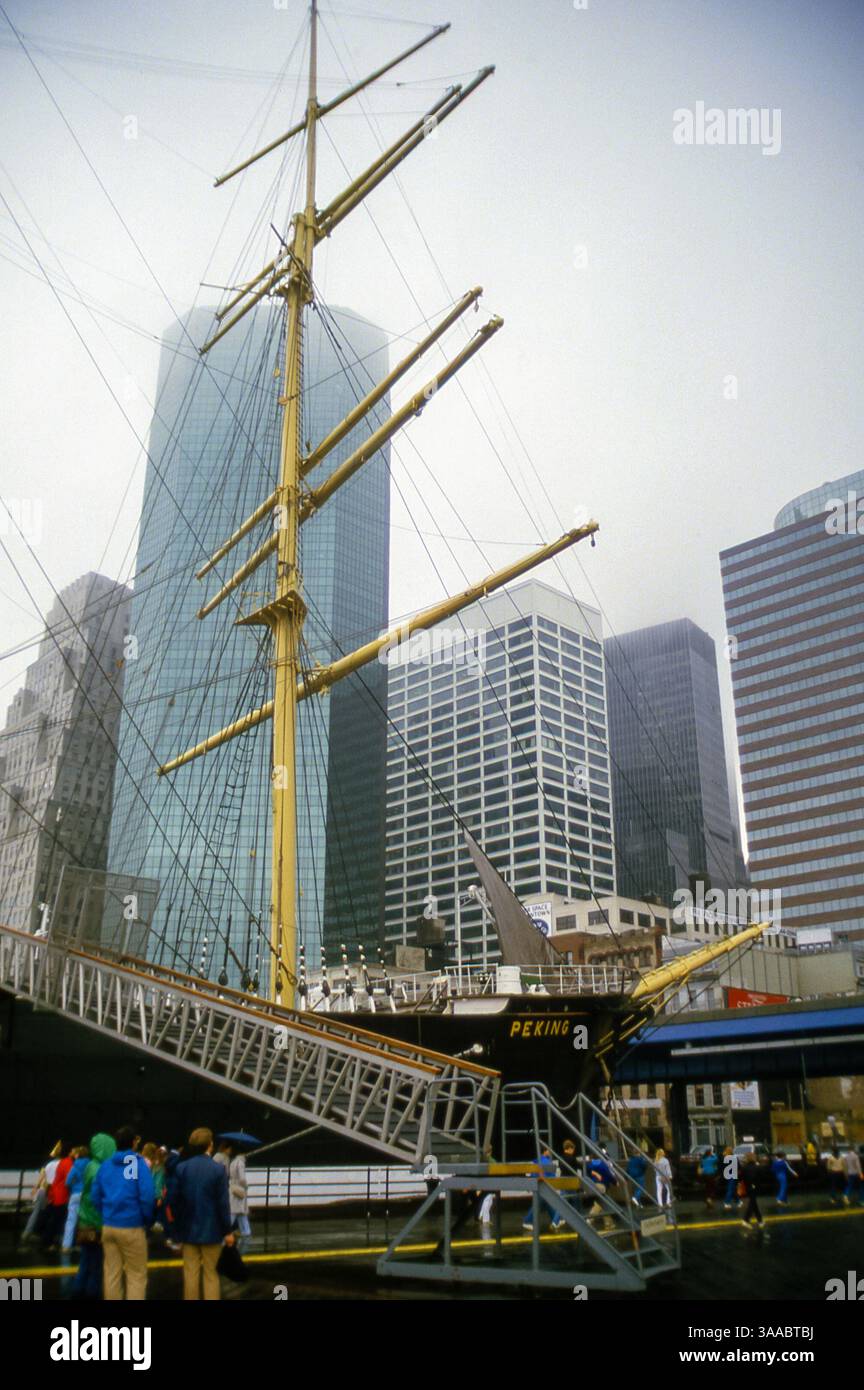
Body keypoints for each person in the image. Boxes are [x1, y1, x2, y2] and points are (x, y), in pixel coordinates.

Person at [90, 1126, 155, 1300]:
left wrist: (106, 1213)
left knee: (112, 1273)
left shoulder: (106, 1165)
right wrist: (146, 1219)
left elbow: (95, 1195)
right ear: (134, 1143)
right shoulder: (137, 1163)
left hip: (109, 1225)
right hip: (132, 1225)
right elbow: (147, 1196)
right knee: (136, 1275)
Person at [170, 1127, 235, 1300]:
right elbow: (223, 1204)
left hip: (188, 1229)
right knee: (211, 1274)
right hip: (212, 1230)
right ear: (210, 1145)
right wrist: (227, 1231)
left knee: (190, 1273)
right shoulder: (218, 1170)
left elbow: (174, 1200)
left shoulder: (181, 1168)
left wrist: (177, 1227)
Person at [71, 1132, 117, 1301]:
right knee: (97, 1263)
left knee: (85, 1260)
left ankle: (77, 1289)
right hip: (98, 1223)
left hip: (84, 1221)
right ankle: (92, 1292)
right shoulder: (104, 1170)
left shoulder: (90, 1165)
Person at [214, 1139, 251, 1249]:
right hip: (238, 1190)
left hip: (232, 1188)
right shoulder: (240, 1163)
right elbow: (242, 1178)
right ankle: (226, 1232)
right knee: (234, 1212)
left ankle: (246, 1231)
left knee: (240, 1213)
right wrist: (246, 1186)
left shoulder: (233, 1162)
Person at [44, 1142, 74, 1251]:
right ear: (69, 1152)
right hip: (62, 1195)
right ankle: (49, 1241)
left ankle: (50, 1241)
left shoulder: (61, 1163)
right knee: (58, 1219)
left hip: (55, 1193)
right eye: (72, 1151)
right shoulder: (68, 1163)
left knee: (55, 1219)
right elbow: (69, 1180)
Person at [522, 1147, 558, 1232]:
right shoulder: (547, 1162)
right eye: (548, 1150)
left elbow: (532, 1174)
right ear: (545, 1151)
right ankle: (527, 1221)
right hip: (544, 1186)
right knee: (538, 1204)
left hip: (536, 1185)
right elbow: (550, 1176)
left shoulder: (536, 1161)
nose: (550, 1152)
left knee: (546, 1203)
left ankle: (556, 1219)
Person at [62, 1146, 90, 1252]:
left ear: (78, 1155)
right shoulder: (90, 1165)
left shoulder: (75, 1165)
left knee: (71, 1220)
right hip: (87, 1195)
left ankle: (66, 1245)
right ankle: (85, 1244)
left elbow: (68, 1181)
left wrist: (74, 1185)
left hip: (75, 1194)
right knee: (85, 1221)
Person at [739, 1156, 765, 1233]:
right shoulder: (757, 1167)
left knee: (753, 1203)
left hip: (747, 1187)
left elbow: (740, 1177)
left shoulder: (744, 1168)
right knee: (752, 1203)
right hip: (755, 1186)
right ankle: (745, 1220)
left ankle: (760, 1221)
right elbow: (762, 1176)